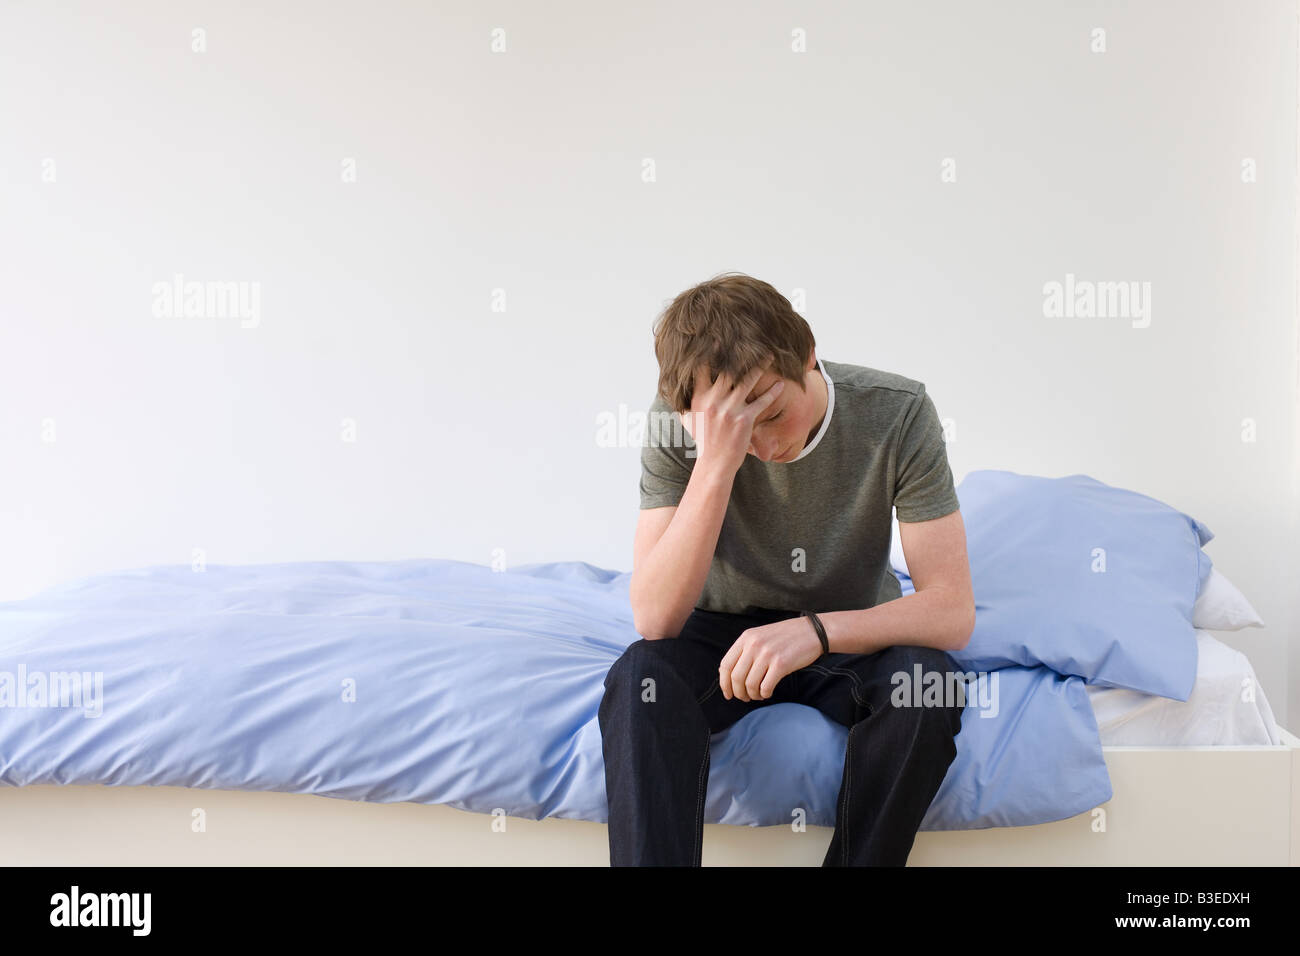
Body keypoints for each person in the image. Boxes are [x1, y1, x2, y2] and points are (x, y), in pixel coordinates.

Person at [598, 271, 975, 866]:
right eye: (736, 427)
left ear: (808, 356)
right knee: (639, 681)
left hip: (848, 626)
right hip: (720, 630)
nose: (765, 449)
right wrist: (718, 459)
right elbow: (655, 617)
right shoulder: (680, 425)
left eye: (770, 416)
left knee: (929, 687)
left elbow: (952, 610)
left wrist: (814, 632)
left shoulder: (898, 413)